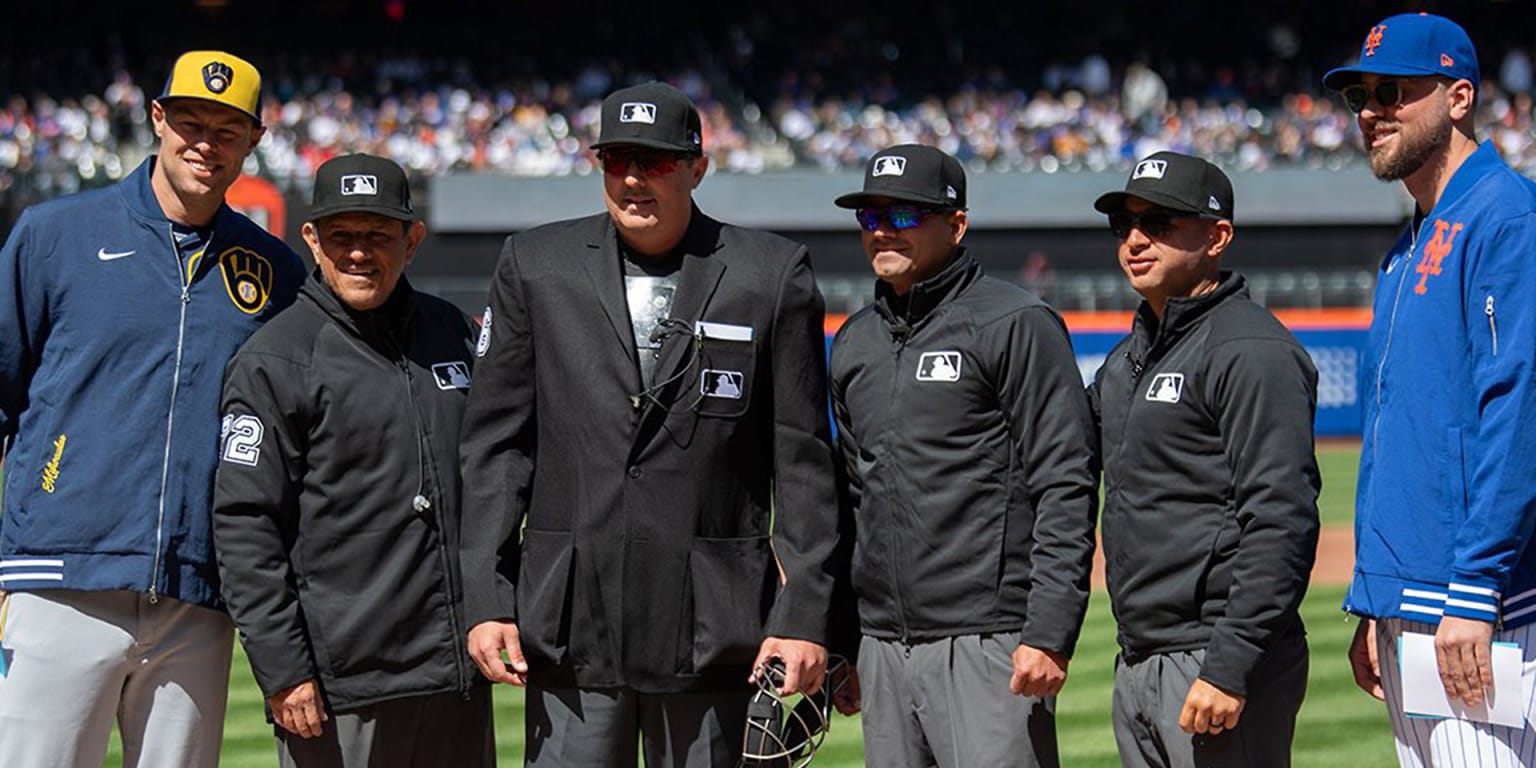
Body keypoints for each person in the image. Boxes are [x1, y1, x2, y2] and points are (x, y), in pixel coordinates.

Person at [458, 80, 840, 766]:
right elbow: (496, 448)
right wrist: (488, 595)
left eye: (657, 162)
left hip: (715, 627)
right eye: (617, 160)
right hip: (572, 623)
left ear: (697, 167)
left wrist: (805, 615)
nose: (634, 178)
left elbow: (804, 459)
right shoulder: (534, 266)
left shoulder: (771, 273)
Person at [0, 50, 305, 767]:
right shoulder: (55, 235)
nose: (206, 142)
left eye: (227, 129)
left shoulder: (273, 270)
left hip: (197, 591)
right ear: (158, 119)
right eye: (191, 121)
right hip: (60, 575)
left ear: (254, 140)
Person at [211, 154, 491, 767]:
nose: (359, 252)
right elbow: (243, 526)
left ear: (411, 240)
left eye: (376, 235)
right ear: (311, 239)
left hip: (453, 673)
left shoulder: (452, 334)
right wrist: (284, 668)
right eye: (341, 236)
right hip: (343, 687)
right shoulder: (276, 358)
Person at [826, 143, 1098, 767]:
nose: (882, 232)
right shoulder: (856, 341)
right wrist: (843, 640)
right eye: (871, 217)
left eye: (904, 216)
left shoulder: (1015, 322)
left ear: (956, 223)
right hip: (883, 647)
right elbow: (852, 503)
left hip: (988, 640)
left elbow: (1066, 480)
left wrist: (1050, 632)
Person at [1325, 14, 1536, 766]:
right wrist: (1374, 600)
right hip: (1409, 605)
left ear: (1457, 98)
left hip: (1477, 605)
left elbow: (1519, 409)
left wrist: (1476, 587)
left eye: (1394, 92)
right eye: (1361, 97)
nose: (1372, 111)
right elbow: (1398, 434)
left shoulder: (1506, 218)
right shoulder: (1408, 242)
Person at [1089, 151, 1320, 767]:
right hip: (1140, 657)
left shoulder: (1251, 350)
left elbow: (1282, 518)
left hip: (1213, 659)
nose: (1137, 240)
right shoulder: (1125, 361)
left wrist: (1229, 663)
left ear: (1217, 237)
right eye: (1126, 224)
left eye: (1161, 223)